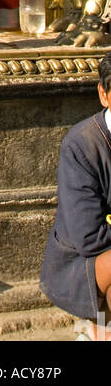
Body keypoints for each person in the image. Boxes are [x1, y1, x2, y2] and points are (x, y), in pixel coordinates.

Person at [40, 50, 111, 341]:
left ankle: (101, 331)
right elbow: (90, 237)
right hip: (80, 266)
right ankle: (100, 327)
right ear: (104, 95)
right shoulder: (81, 145)